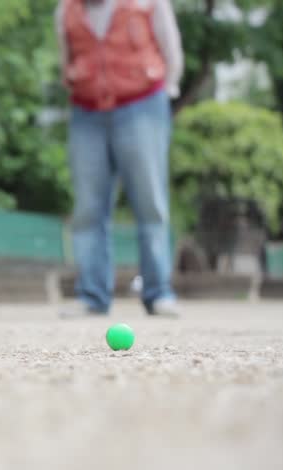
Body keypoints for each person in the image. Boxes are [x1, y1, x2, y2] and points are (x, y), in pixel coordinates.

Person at [55, 0, 184, 316]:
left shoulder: (149, 3)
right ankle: (92, 296)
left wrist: (164, 92)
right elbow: (65, 62)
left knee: (150, 201)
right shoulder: (65, 11)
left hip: (142, 105)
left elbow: (172, 52)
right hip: (86, 112)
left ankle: (159, 293)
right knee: (88, 207)